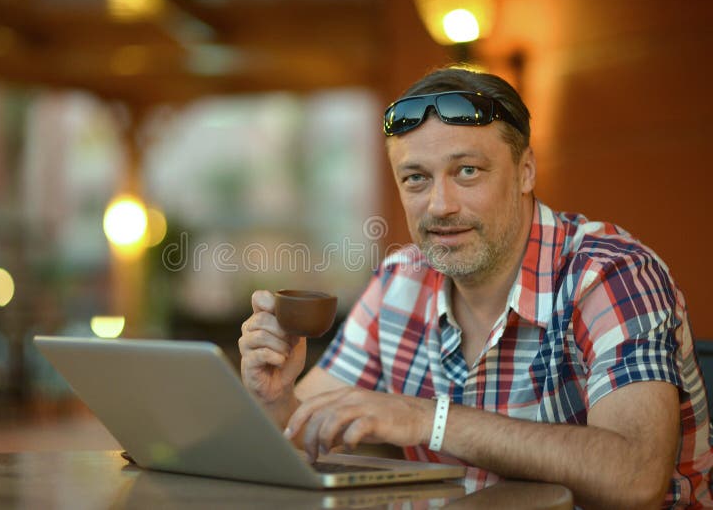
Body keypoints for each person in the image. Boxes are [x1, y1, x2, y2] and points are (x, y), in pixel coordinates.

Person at [238, 66, 712, 509]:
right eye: (416, 178)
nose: (439, 205)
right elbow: (304, 433)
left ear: (526, 171)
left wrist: (428, 419)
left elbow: (636, 478)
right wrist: (276, 399)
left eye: (467, 171)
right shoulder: (400, 281)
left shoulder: (609, 275)